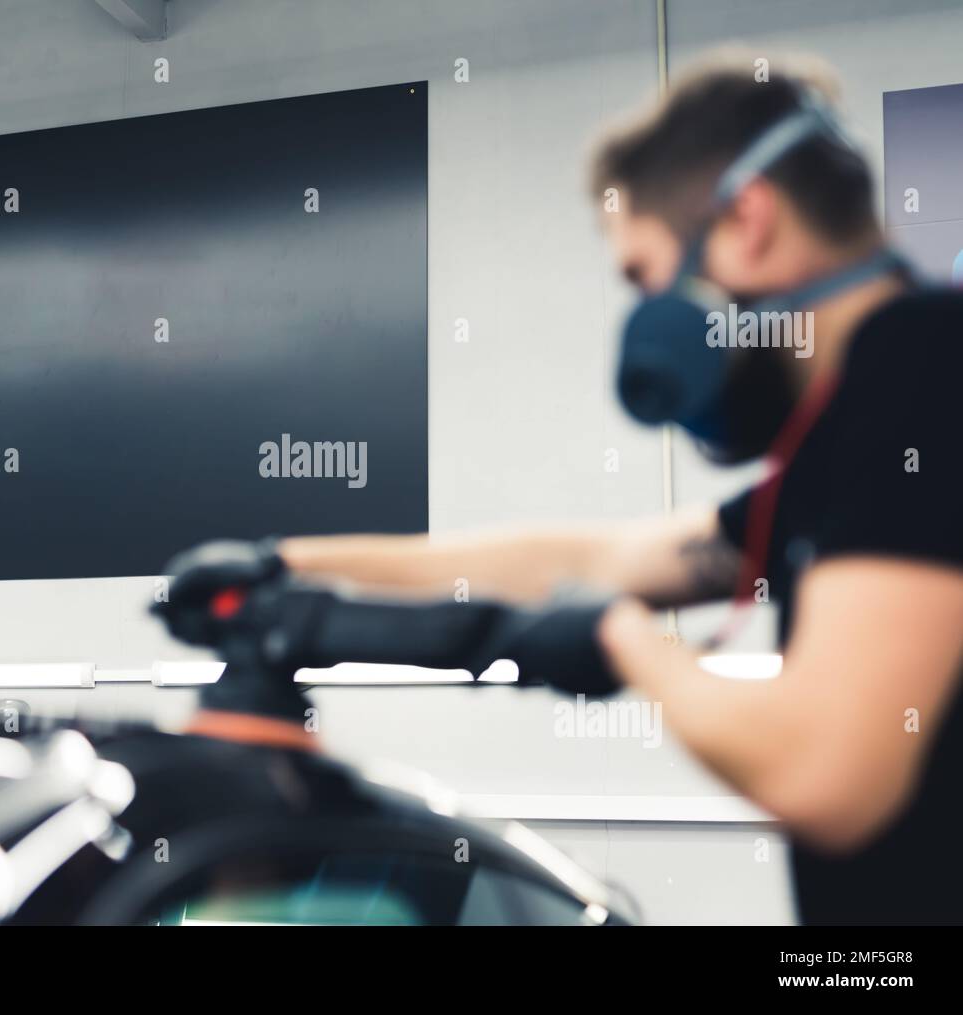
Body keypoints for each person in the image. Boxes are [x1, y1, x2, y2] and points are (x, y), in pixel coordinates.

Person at [273, 55, 963, 925]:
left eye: (643, 276)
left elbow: (825, 776)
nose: (644, 314)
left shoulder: (924, 369)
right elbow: (598, 556)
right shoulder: (852, 426)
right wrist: (286, 561)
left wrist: (620, 636)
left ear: (748, 220)